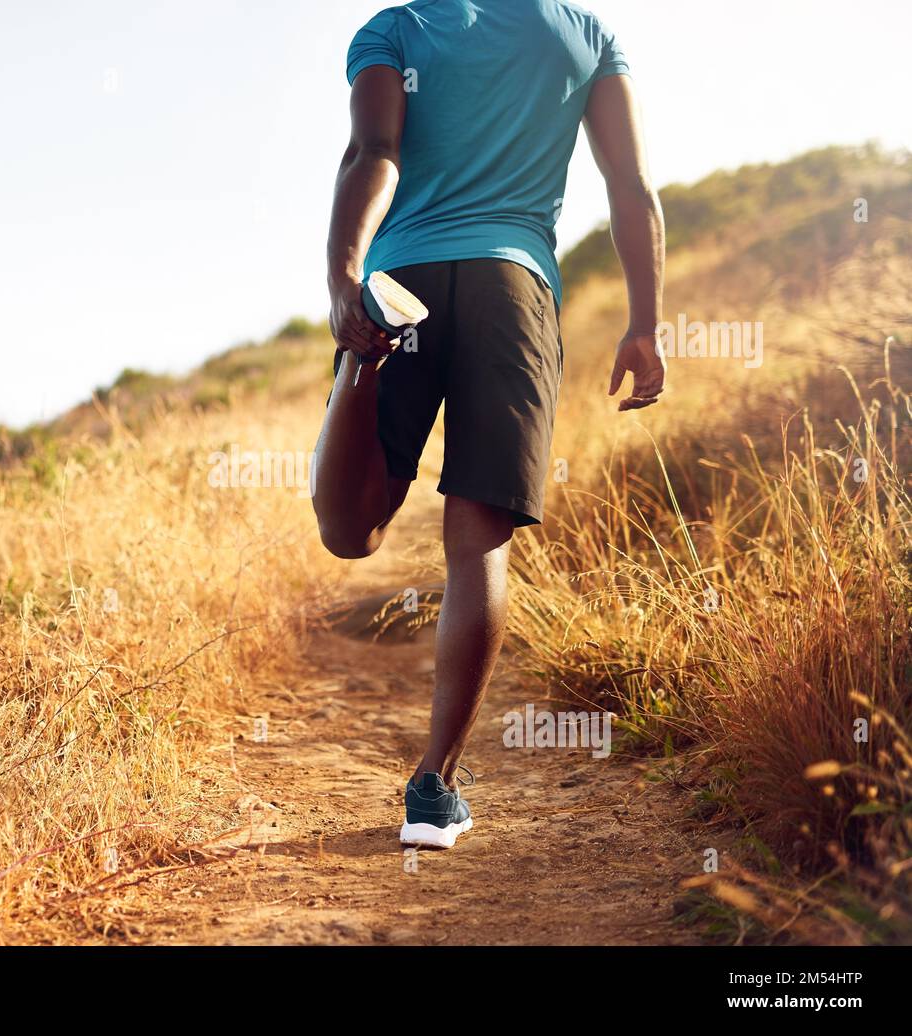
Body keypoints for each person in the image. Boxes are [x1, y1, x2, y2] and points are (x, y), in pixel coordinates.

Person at [312, 0, 666, 848]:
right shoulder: (584, 35)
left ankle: (366, 363)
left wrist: (343, 280)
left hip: (405, 280)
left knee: (350, 530)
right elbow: (631, 187)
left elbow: (374, 151)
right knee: (478, 541)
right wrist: (645, 322)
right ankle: (434, 789)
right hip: (515, 289)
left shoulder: (395, 31)